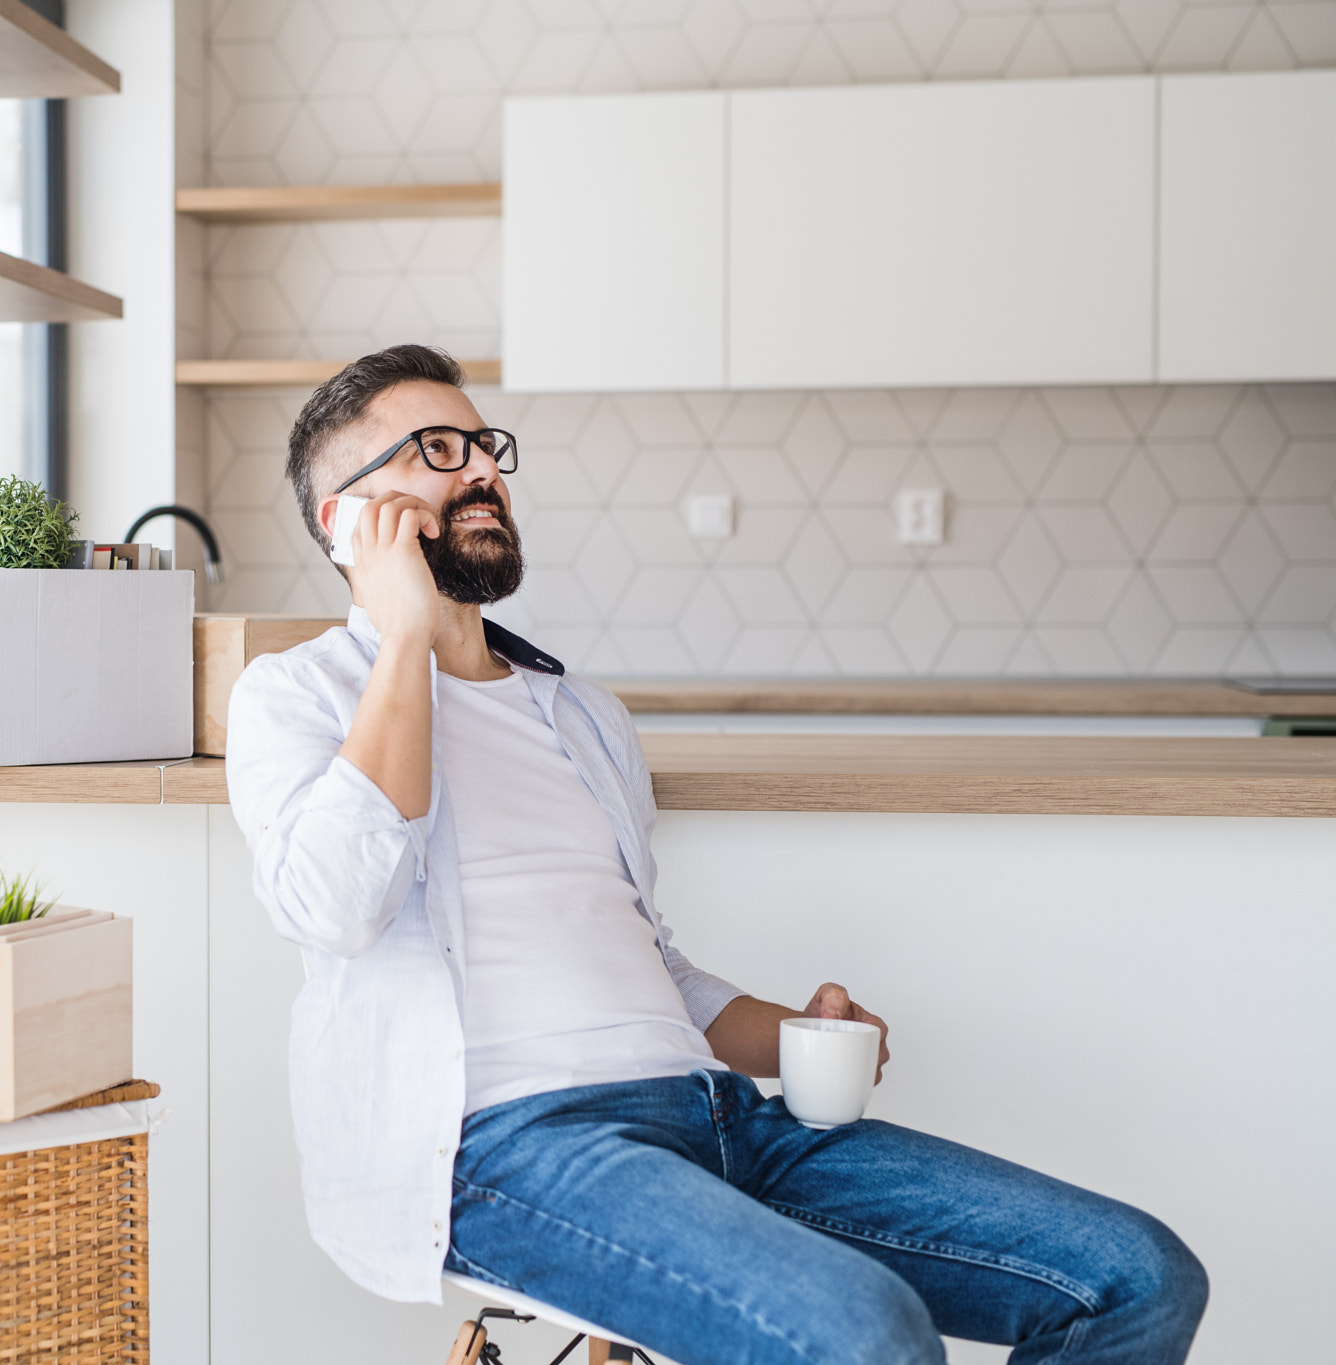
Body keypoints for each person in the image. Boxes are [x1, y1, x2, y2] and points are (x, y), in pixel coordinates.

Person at [224, 344, 1207, 1365]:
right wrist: (399, 641)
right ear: (346, 520)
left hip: (721, 1121)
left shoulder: (579, 714)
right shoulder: (297, 696)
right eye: (435, 449)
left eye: (483, 445)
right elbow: (335, 909)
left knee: (1133, 1278)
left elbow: (650, 963)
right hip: (509, 1150)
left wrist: (793, 1038)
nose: (482, 471)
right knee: (861, 1333)